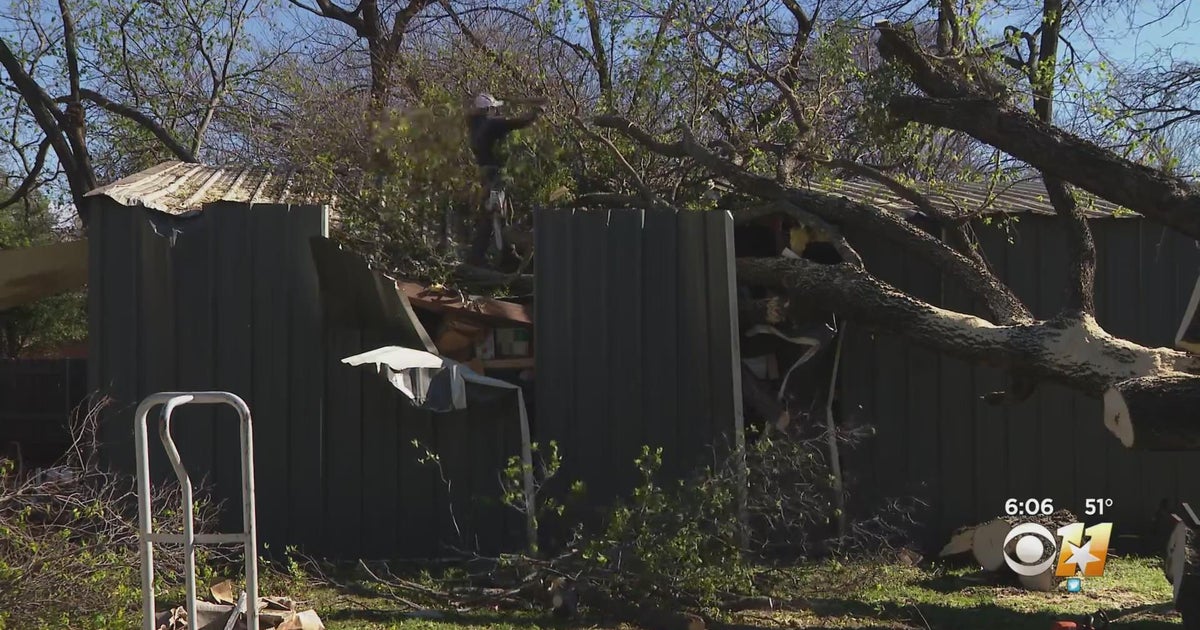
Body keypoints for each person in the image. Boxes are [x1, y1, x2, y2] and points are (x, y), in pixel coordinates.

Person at [465, 92, 544, 267]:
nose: (496, 112)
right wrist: (536, 112)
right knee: (494, 213)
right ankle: (478, 257)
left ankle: (506, 255)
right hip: (495, 176)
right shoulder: (491, 125)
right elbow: (516, 123)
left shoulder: (475, 125)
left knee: (501, 214)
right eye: (494, 109)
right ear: (489, 110)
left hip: (486, 174)